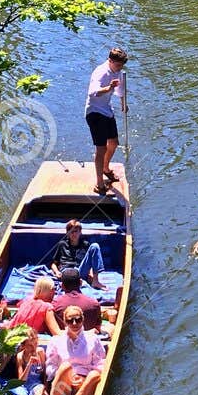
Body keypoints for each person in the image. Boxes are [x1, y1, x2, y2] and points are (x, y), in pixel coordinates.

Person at [42, 309, 106, 395]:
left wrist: (83, 377)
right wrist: (70, 377)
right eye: (70, 320)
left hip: (84, 385)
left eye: (78, 319)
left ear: (83, 319)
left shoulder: (93, 339)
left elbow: (101, 363)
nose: (75, 323)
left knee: (94, 375)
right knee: (65, 366)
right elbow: (50, 367)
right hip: (63, 386)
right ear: (65, 322)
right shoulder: (56, 340)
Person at [85, 47, 127, 193]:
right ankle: (99, 184)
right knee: (101, 148)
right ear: (110, 61)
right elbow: (93, 93)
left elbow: (120, 91)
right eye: (117, 65)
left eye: (122, 65)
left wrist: (123, 104)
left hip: (107, 111)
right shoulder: (101, 72)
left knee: (114, 143)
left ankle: (105, 167)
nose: (120, 68)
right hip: (95, 113)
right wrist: (109, 87)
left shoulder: (119, 72)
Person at [51, 265, 108, 331]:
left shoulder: (54, 304)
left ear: (62, 286)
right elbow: (98, 328)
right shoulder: (94, 304)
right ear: (81, 283)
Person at [50, 219, 104, 289]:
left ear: (80, 232)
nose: (74, 234)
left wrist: (91, 274)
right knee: (71, 279)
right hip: (67, 271)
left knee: (95, 246)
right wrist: (57, 272)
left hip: (80, 270)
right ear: (67, 233)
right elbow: (54, 264)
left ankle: (95, 281)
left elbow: (89, 262)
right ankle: (77, 282)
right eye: (71, 232)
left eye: (76, 231)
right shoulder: (62, 244)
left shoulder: (85, 244)